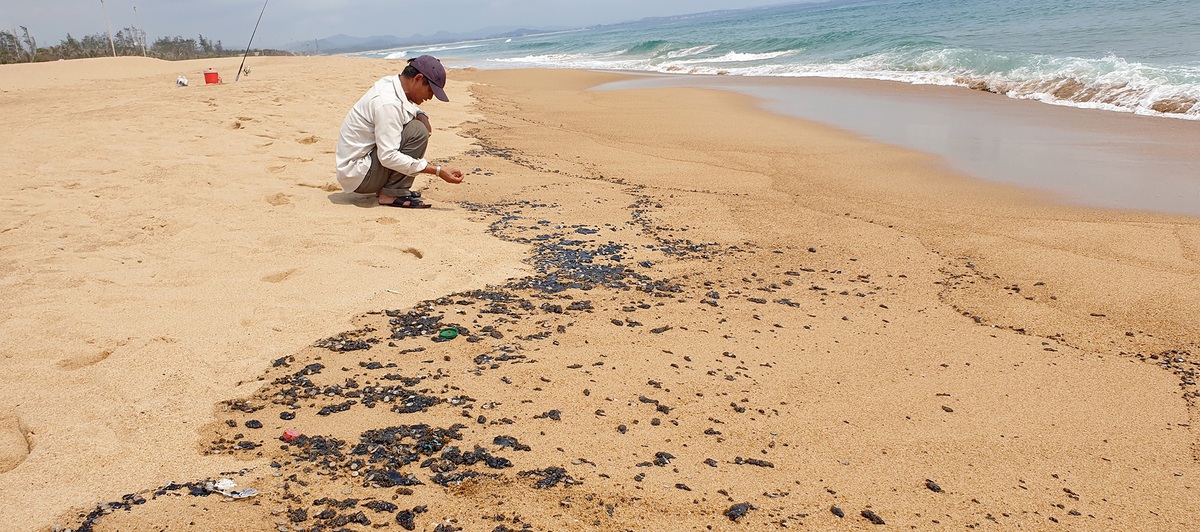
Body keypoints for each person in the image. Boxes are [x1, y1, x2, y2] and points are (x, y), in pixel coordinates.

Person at [335, 55, 465, 208]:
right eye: (430, 90)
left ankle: (390, 189)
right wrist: (437, 171)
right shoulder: (387, 104)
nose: (430, 97)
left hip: (356, 169)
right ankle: (391, 194)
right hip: (360, 176)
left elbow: (404, 107)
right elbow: (388, 157)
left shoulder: (391, 83)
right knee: (417, 131)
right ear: (418, 78)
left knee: (416, 124)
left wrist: (421, 114)